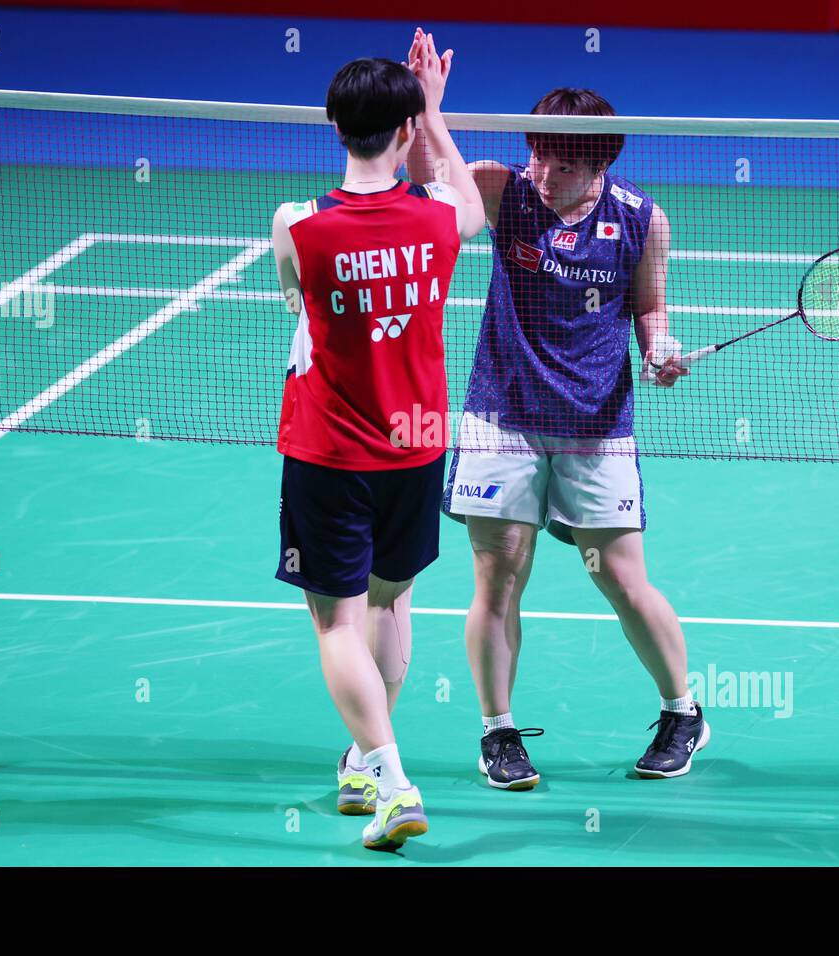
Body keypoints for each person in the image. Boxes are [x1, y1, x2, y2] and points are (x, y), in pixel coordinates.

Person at [404, 55, 708, 790]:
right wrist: (429, 105)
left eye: (564, 164)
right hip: (501, 414)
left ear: (600, 162)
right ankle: (498, 731)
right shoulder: (502, 190)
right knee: (498, 577)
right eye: (539, 152)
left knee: (621, 578)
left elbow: (649, 308)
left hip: (596, 422)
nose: (544, 172)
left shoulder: (640, 219)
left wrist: (661, 349)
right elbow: (422, 173)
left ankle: (683, 711)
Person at [271, 47, 485, 849]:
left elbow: (297, 297)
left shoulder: (298, 224)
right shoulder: (439, 219)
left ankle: (392, 780)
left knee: (336, 626)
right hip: (418, 445)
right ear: (404, 129)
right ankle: (365, 761)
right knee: (391, 602)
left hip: (329, 453)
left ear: (333, 127)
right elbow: (469, 200)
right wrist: (433, 108)